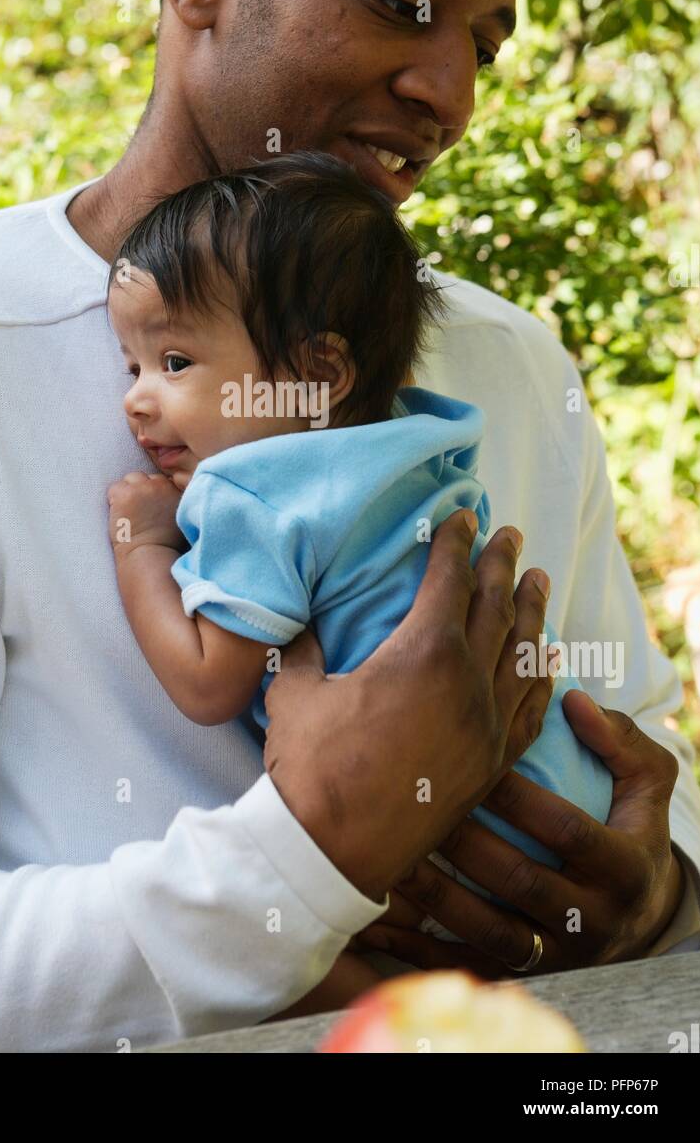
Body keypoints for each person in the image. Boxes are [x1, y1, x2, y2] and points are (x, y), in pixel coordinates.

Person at [0, 0, 700, 1053]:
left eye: (481, 42)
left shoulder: (509, 364)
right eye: (397, 3)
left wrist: (656, 891)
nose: (450, 91)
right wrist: (308, 855)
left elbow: (642, 770)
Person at [104, 149, 614, 1007]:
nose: (137, 400)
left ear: (320, 376)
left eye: (177, 363)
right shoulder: (418, 443)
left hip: (454, 848)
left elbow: (207, 680)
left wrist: (141, 549)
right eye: (133, 368)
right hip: (568, 827)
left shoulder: (254, 490)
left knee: (295, 983)